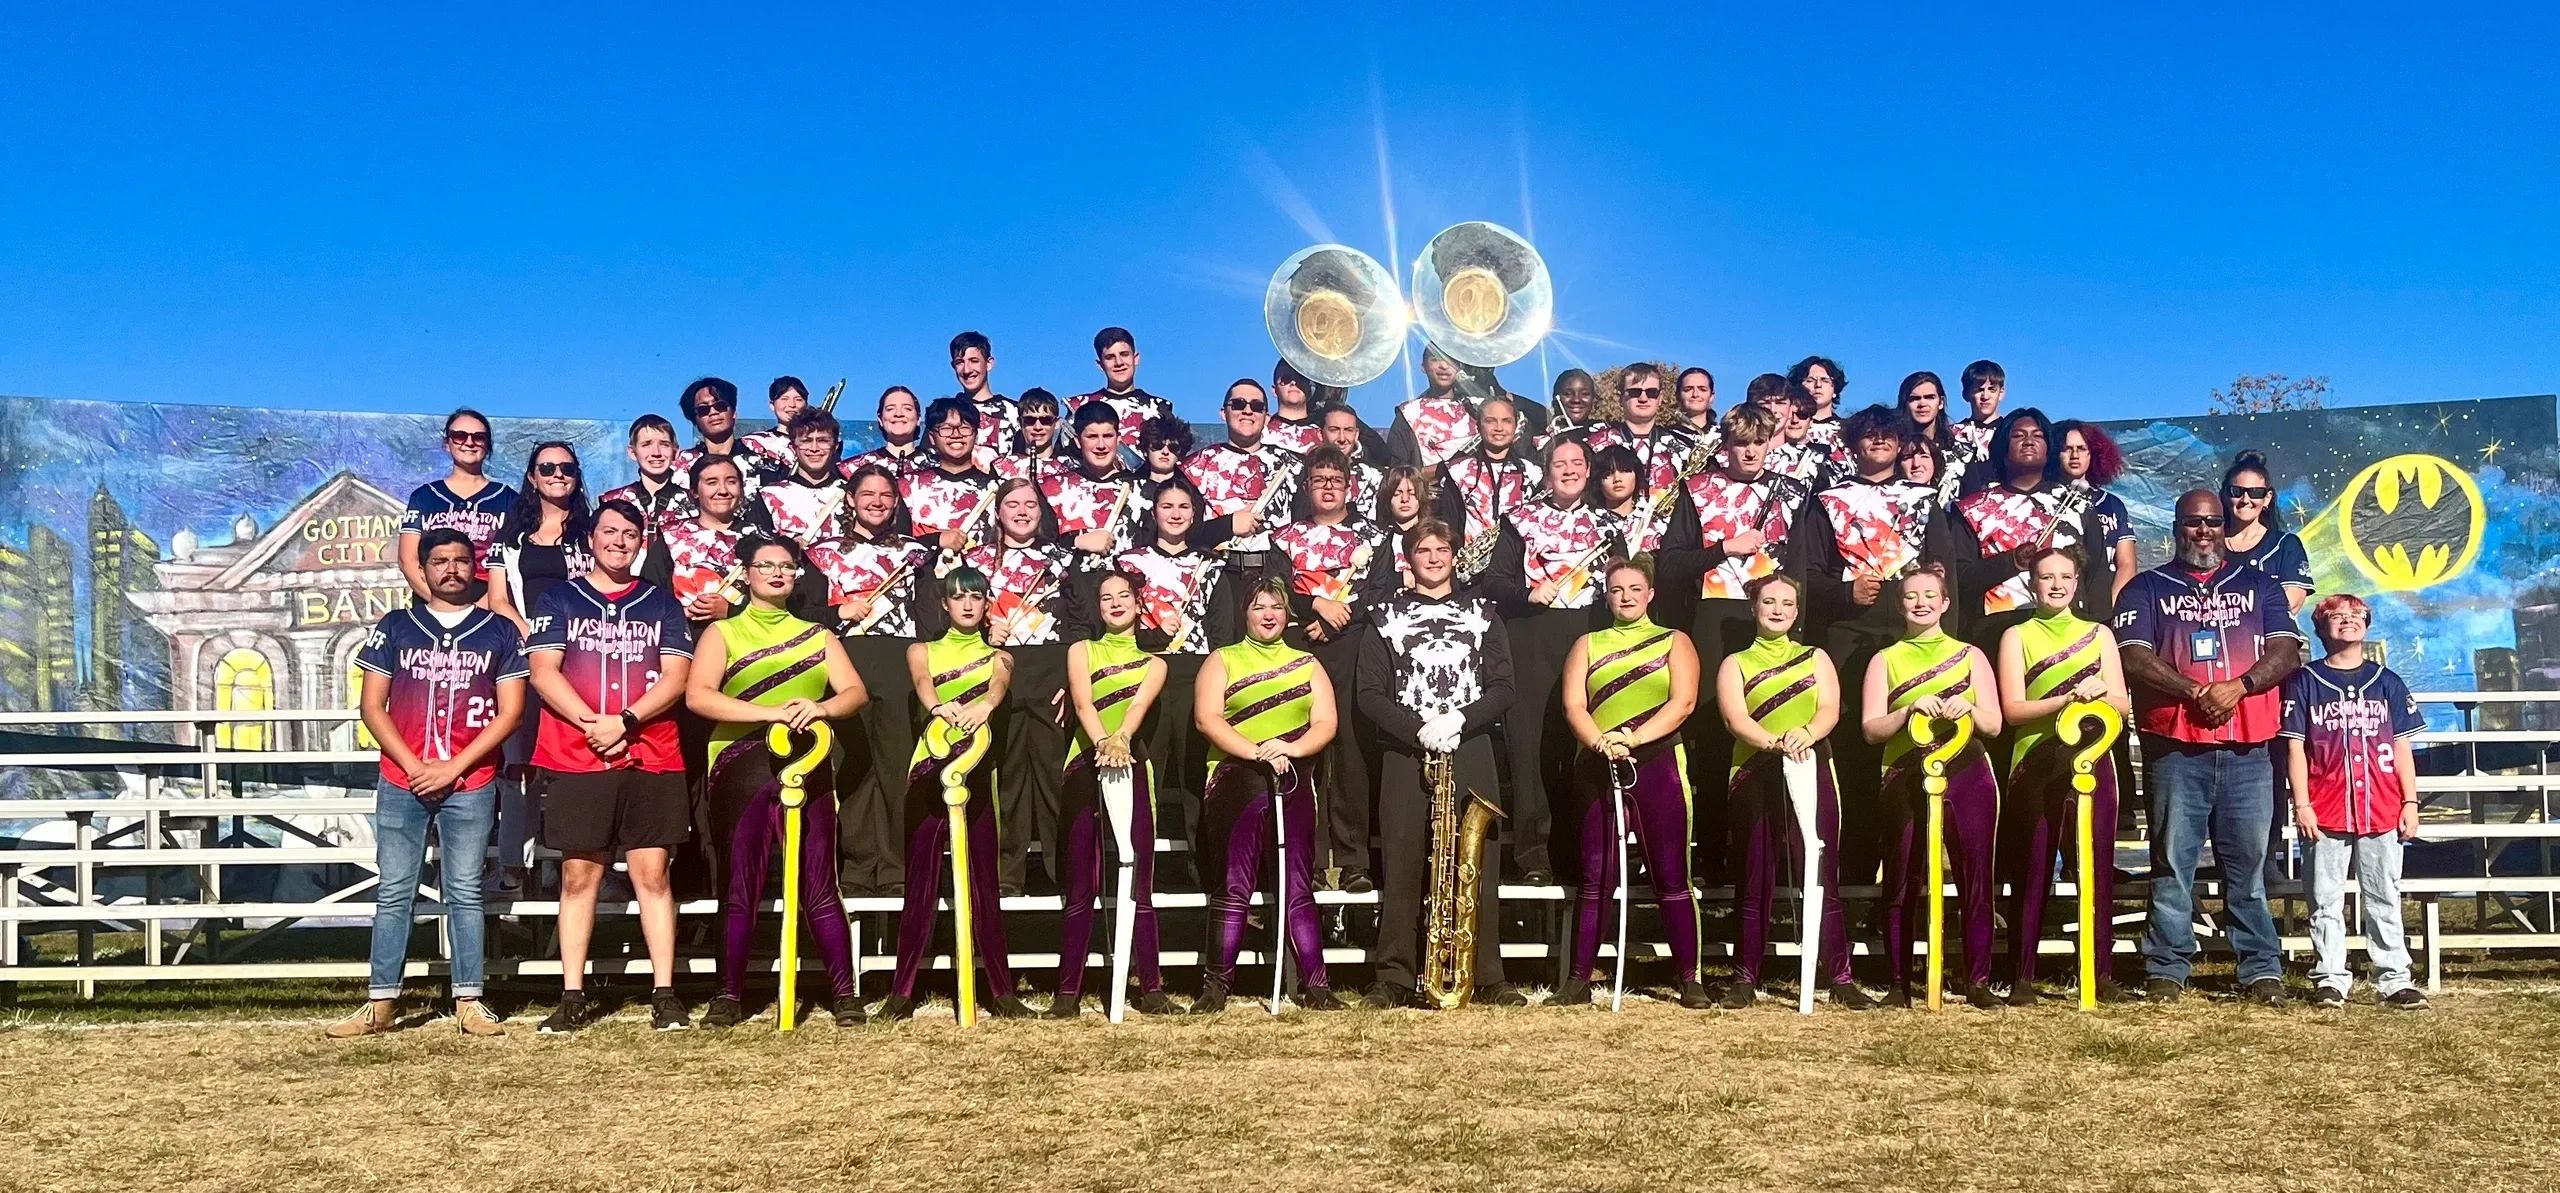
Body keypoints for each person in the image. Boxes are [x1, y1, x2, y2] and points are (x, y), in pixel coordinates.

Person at [328, 528, 528, 1038]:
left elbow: (510, 714)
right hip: (402, 778)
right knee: (395, 889)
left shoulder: (498, 630)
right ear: (422, 569)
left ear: (475, 566)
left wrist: (452, 765)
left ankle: (469, 1000)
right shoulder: (397, 625)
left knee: (464, 890)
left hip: (471, 778)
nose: (451, 569)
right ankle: (381, 1002)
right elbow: (372, 706)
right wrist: (415, 765)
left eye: (462, 560)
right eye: (439, 561)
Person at [2116, 489, 2305, 1004]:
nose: (2204, 531)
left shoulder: (2260, 586)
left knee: (2247, 864)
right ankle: (2166, 967)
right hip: (2176, 746)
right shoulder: (2145, 589)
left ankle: (2261, 968)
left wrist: (2239, 687)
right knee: (2172, 864)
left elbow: (2286, 653)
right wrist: (2194, 690)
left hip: (2250, 747)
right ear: (2176, 527)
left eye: (2213, 522)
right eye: (2193, 522)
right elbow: (2133, 657)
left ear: (2225, 526)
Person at [523, 499, 697, 1033]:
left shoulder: (661, 602)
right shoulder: (559, 597)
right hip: (577, 755)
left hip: (652, 753)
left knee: (653, 873)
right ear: (591, 539)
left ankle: (664, 993)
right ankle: (572, 995)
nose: (619, 541)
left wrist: (623, 720)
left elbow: (676, 676)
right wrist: (591, 722)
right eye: (609, 532)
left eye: (629, 534)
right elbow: (542, 671)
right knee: (579, 876)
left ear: (641, 543)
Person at [687, 535, 871, 1029]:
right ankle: (728, 995)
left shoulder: (819, 635)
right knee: (740, 883)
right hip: (739, 765)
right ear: (745, 574)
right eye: (765, 565)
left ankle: (845, 995)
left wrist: (822, 707)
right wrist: (769, 714)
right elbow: (699, 697)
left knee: (818, 882)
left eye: (786, 566)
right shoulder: (721, 633)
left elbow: (855, 692)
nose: (776, 573)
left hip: (809, 761)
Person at [1355, 520, 1520, 1008]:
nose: (1432, 558)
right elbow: (1368, 693)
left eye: (1441, 549)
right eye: (1422, 550)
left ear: (1455, 555)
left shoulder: (1484, 612)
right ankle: (1395, 975)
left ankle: (1486, 974)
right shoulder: (1384, 615)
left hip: (1469, 745)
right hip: (1407, 751)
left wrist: (1461, 720)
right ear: (1408, 558)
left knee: (1476, 865)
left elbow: (1504, 687)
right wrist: (1415, 728)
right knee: (1404, 859)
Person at [1798, 406, 1953, 893]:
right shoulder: (1826, 501)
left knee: (1922, 754)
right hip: (1849, 639)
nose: (1879, 442)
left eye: (1889, 434)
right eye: (1869, 435)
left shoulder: (1925, 501)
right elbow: (1803, 576)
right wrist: (1846, 593)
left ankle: (1918, 885)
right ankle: (1856, 883)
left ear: (1903, 442)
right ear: (1853, 443)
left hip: (1914, 640)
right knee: (1856, 762)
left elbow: (1946, 574)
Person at [1657, 404, 1807, 884]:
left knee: (1776, 726)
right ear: (1726, 443)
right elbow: (1669, 565)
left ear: (1770, 442)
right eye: (1741, 442)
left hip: (1773, 623)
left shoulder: (1794, 492)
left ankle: (1775, 855)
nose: (1750, 451)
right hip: (1714, 615)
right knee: (1715, 735)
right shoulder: (1696, 490)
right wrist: (1724, 548)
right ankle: (1712, 856)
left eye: (1759, 442)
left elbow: (1802, 568)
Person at [1553, 556, 1709, 1009]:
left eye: (1635, 589)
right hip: (1598, 763)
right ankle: (1579, 979)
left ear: (1650, 594)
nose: (1626, 597)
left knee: (1671, 875)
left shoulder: (1674, 641)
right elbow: (1573, 707)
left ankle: (1689, 978)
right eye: (1617, 589)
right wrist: (1601, 743)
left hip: (1658, 763)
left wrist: (1635, 738)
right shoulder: (1587, 643)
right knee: (1596, 876)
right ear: (1607, 595)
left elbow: (1684, 702)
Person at [879, 568, 1032, 1020]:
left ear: (988, 605)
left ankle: (1002, 992)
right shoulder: (920, 649)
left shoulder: (1001, 656)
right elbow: (925, 683)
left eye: (976, 597)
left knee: (985, 884)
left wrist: (984, 707)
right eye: (958, 598)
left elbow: (997, 687)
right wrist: (938, 708)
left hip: (978, 774)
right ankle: (901, 993)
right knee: (919, 886)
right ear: (944, 605)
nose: (967, 605)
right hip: (928, 771)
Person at [1189, 578, 1346, 1012]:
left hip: (1292, 775)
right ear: (1245, 613)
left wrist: (1290, 750)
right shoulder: (1222, 659)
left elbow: (1326, 723)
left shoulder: (1308, 664)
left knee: (1297, 884)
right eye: (1259, 607)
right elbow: (1207, 719)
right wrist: (1257, 753)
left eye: (1276, 606)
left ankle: (1316, 986)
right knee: (1233, 884)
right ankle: (1216, 986)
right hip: (1235, 776)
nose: (1268, 614)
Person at [1993, 547, 2134, 1004]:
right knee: (2032, 869)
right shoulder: (2016, 635)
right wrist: (2067, 699)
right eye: (2046, 577)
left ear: (2077, 583)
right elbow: (2013, 710)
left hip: (2094, 766)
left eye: (2065, 577)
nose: (2055, 584)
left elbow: (2122, 705)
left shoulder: (2099, 634)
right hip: (2035, 761)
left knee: (2095, 869)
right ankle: (2021, 976)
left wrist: (2101, 695)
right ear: (2032, 584)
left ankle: (2099, 972)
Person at [1860, 564, 2003, 1008]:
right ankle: (1900, 983)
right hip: (1904, 773)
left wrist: (1968, 709)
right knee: (1903, 878)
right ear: (1899, 603)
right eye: (1911, 596)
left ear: (1944, 603)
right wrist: (1906, 711)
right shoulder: (1885, 659)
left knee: (1976, 876)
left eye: (1929, 596)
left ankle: (1977, 981)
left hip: (1969, 773)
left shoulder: (1970, 655)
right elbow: (1870, 729)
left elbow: (1994, 724)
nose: (1920, 603)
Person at [1718, 574, 1863, 1008]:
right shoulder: (1735, 663)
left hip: (1811, 766)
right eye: (1768, 602)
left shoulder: (1817, 657)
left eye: (1786, 603)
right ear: (1754, 608)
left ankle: (1840, 977)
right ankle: (1744, 979)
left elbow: (1829, 709)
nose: (1777, 610)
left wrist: (1805, 734)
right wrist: (1773, 743)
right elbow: (1734, 718)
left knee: (1820, 875)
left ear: (1797, 612)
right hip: (1754, 772)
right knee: (1754, 876)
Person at [2283, 594, 2428, 1010]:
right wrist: (2302, 804)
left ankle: (2393, 978)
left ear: (2367, 624)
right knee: (2324, 898)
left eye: (2355, 615)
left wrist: (2410, 802)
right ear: (2321, 627)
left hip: (2381, 806)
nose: (2347, 622)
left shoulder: (2387, 682)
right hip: (2325, 808)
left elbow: (2402, 749)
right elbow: (2295, 748)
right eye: (2336, 616)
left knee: (2383, 895)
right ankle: (2330, 977)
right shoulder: (2306, 681)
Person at [800, 464, 934, 897]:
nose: (876, 502)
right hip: (846, 661)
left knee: (897, 765)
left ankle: (897, 865)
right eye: (867, 494)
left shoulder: (916, 555)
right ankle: (857, 866)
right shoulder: (821, 553)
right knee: (853, 764)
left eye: (886, 495)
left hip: (899, 661)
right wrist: (838, 612)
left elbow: (930, 618)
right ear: (850, 500)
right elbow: (802, 617)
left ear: (896, 503)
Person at [1049, 570, 1177, 1017]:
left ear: (1139, 605)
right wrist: (1103, 742)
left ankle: (1152, 987)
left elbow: (1138, 705)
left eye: (1124, 596)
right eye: (1107, 598)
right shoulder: (1081, 650)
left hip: (1131, 761)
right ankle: (1068, 991)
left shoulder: (1155, 662)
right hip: (1085, 760)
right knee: (1082, 880)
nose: (1116, 603)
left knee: (1139, 879)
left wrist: (1121, 739)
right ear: (1099, 608)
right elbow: (1083, 704)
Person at [1485, 435, 1612, 885]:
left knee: (1582, 746)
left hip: (1587, 636)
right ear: (1545, 470)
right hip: (1532, 634)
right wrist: (1527, 593)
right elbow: (1494, 581)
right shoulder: (1518, 521)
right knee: (1531, 746)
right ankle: (1533, 855)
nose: (1570, 470)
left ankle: (1580, 853)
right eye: (1560, 463)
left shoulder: (1609, 525)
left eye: (1578, 462)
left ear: (1589, 469)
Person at [947, 477, 1078, 895]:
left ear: (1042, 514)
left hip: (1050, 674)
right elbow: (953, 615)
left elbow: (1081, 625)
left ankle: (1067, 879)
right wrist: (986, 628)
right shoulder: (976, 561)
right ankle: (1006, 877)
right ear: (997, 512)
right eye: (1012, 504)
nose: (1022, 511)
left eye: (1031, 505)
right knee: (1004, 779)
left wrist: (1072, 679)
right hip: (994, 673)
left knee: (1055, 778)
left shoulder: (1062, 560)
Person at [1269, 447, 1386, 890]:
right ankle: (1310, 859)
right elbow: (1276, 589)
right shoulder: (1286, 537)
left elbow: (1382, 590)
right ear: (1306, 487)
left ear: (1350, 486)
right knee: (1304, 750)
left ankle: (1354, 858)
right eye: (1319, 479)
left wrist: (1342, 617)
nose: (1329, 487)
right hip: (1301, 646)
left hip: (1352, 648)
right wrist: (1315, 605)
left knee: (1352, 752)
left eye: (1336, 479)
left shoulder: (1372, 538)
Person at [484, 441, 594, 896]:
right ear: (531, 477)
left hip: (585, 660)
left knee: (582, 764)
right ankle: (514, 866)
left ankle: (582, 868)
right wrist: (532, 634)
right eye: (547, 467)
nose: (557, 474)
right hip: (527, 660)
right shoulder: (509, 536)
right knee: (519, 765)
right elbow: (497, 599)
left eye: (566, 468)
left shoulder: (591, 531)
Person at [1117, 476, 1233, 875]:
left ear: (1195, 514)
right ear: (1154, 512)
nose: (1175, 514)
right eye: (1167, 506)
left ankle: (1206, 873)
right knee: (1143, 773)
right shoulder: (1129, 562)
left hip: (1195, 675)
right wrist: (1150, 636)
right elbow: (1116, 624)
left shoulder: (1212, 565)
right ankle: (1135, 872)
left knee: (1195, 776)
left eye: (1184, 507)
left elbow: (1222, 631)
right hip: (1144, 673)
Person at [1950, 407, 2111, 647]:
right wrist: (2010, 562)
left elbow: (2097, 577)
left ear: (2050, 450)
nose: (2028, 442)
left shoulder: (2077, 505)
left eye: (2038, 436)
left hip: (2070, 632)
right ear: (2003, 448)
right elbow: (1958, 578)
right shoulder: (1972, 509)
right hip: (1995, 634)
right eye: (2018, 436)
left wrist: (2099, 633)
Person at [1184, 378, 1301, 580]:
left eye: (1257, 406)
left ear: (1266, 418)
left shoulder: (1294, 466)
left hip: (1276, 577)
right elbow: (1184, 533)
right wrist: (1228, 525)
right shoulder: (1194, 466)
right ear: (1223, 413)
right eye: (1238, 404)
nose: (1247, 411)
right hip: (1219, 577)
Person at [399, 408, 516, 602]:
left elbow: (515, 565)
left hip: (488, 602)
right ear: (447, 443)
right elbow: (407, 560)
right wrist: (443, 605)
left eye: (478, 437)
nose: (469, 442)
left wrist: (480, 610)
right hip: (432, 601)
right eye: (460, 436)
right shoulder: (424, 497)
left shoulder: (508, 499)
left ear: (488, 445)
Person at [1439, 394, 1543, 584]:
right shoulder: (1457, 471)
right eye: (1490, 421)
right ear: (1478, 426)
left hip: (1518, 573)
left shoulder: (1534, 473)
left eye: (1506, 421)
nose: (1499, 428)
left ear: (1515, 426)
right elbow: (1448, 523)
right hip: (1471, 574)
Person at [1045, 401, 1150, 573]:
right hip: (1071, 592)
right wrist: (1076, 543)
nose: (1101, 445)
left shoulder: (1145, 491)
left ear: (1119, 439)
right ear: (1078, 441)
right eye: (1092, 437)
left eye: (1108, 436)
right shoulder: (1052, 489)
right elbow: (1036, 547)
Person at [1586, 362, 1710, 498]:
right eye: (1635, 392)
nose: (1643, 398)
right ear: (1621, 398)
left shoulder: (1681, 448)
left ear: (1660, 398)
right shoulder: (1594, 444)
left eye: (1651, 392)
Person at [2052, 420, 2141, 601]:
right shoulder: (2044, 501)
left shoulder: (2112, 505)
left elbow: (2127, 564)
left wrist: (2111, 605)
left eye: (2082, 448)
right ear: (2054, 454)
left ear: (2093, 454)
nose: (2075, 455)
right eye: (2067, 449)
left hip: (2102, 609)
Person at [901, 397, 1002, 549]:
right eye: (946, 428)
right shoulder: (907, 487)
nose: (956, 434)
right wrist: (937, 539)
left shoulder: (998, 489)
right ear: (932, 438)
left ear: (976, 435)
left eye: (964, 427)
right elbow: (894, 542)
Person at [2220, 449, 2312, 616]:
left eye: (2255, 492)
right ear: (2225, 495)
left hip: (2269, 638)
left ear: (2267, 498)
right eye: (2237, 491)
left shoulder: (2285, 545)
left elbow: (2293, 600)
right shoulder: (2208, 546)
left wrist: (2242, 621)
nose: (2245, 500)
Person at [751, 408, 852, 548]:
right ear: (793, 447)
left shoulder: (852, 494)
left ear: (835, 446)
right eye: (806, 441)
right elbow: (757, 549)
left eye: (823, 440)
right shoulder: (769, 496)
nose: (814, 448)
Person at [1069, 326, 1175, 455]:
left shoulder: (1160, 408)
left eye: (1124, 354)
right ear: (1100, 365)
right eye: (1110, 357)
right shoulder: (1078, 407)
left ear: (1136, 358)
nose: (1118, 362)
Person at [1388, 343, 1480, 470]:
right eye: (1435, 359)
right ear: (1423, 367)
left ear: (1459, 367)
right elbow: (1398, 467)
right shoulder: (1408, 413)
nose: (1444, 366)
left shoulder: (1479, 408)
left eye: (1451, 360)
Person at [598, 414, 695, 536]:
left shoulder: (694, 503)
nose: (656, 453)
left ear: (675, 452)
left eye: (664, 444)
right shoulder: (612, 501)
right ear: (632, 453)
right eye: (646, 444)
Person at [674, 376, 768, 498]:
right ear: (695, 420)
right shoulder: (682, 468)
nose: (713, 412)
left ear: (734, 412)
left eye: (720, 406)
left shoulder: (762, 461)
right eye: (703, 409)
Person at [947, 330, 1014, 468]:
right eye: (960, 362)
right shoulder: (945, 413)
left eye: (974, 361)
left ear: (989, 364)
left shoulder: (1015, 412)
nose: (967, 370)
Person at [1896, 372, 1962, 505]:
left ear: (1941, 402)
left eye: (1929, 397)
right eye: (1914, 399)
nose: (1922, 404)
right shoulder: (1894, 449)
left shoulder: (1961, 454)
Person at [994, 388, 1074, 486]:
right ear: (1020, 423)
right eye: (1029, 420)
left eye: (1046, 420)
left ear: (1056, 423)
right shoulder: (1001, 469)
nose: (1037, 427)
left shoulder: (1071, 469)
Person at [840, 386, 926, 476]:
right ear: (880, 419)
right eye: (890, 409)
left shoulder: (937, 467)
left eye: (907, 408)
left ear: (918, 418)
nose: (898, 414)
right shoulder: (851, 469)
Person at [1950, 360, 2005, 489]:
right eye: (1979, 390)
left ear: (2001, 392)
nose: (1985, 396)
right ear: (1966, 394)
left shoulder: (2012, 432)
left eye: (1992, 389)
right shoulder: (1952, 434)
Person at [1788, 356, 1849, 472]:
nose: (1818, 385)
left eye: (1825, 380)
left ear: (1835, 390)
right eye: (1810, 380)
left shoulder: (1848, 430)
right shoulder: (1789, 427)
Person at [738, 376, 810, 474]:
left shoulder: (819, 444)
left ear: (806, 405)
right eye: (784, 399)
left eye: (798, 399)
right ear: (772, 405)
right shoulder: (754, 443)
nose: (792, 405)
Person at [1266, 358, 1329, 457]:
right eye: (1285, 379)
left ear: (1309, 387)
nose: (1293, 383)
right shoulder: (1262, 431)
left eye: (1301, 378)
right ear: (1274, 390)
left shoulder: (1326, 433)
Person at [1138, 414, 1196, 498]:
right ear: (1145, 450)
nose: (1165, 452)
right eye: (1157, 446)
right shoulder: (1129, 489)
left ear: (1180, 454)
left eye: (1173, 448)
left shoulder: (1191, 494)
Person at [1541, 368, 1600, 448]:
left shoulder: (1608, 436)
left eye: (1585, 394)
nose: (1576, 400)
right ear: (1555, 399)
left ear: (1593, 398)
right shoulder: (1543, 442)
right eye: (1567, 394)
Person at [1674, 367, 1718, 436]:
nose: (1695, 394)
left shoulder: (1724, 438)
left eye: (1702, 389)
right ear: (1678, 396)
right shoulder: (1662, 438)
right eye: (1688, 389)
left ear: (1711, 396)